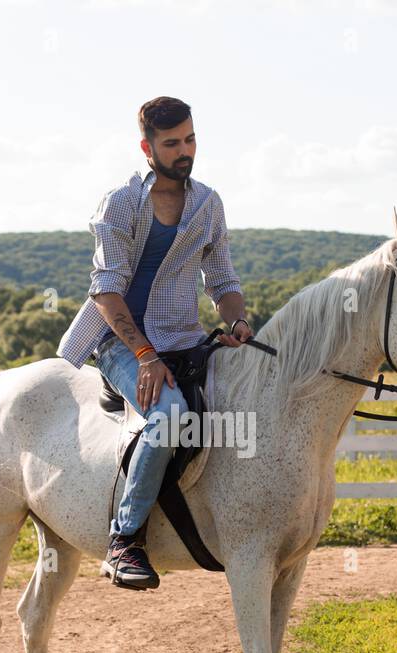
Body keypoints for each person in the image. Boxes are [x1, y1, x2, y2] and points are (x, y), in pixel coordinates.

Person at [56, 95, 253, 589]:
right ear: (147, 147)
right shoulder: (120, 204)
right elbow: (106, 290)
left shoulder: (208, 203)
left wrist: (236, 321)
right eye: (172, 143)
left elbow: (223, 280)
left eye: (190, 139)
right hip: (123, 342)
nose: (184, 151)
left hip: (185, 337)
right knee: (169, 415)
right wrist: (144, 355)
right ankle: (124, 540)